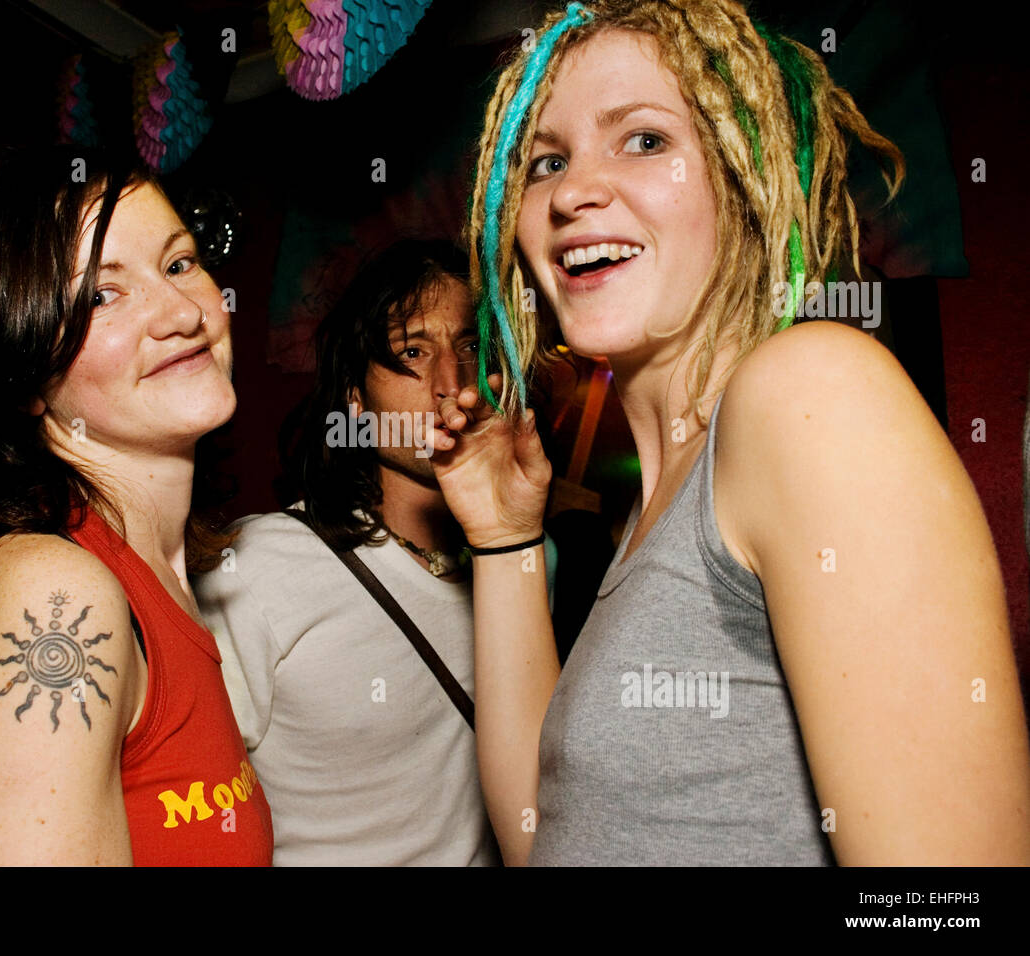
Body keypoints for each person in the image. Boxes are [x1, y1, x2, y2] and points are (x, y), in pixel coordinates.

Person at [423, 0, 1030, 865]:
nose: (572, 192)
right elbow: (547, 832)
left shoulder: (809, 393)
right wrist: (503, 538)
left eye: (642, 139)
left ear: (741, 181)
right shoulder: (652, 505)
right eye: (546, 161)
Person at [0, 147, 273, 865]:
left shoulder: (161, 585)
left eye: (179, 264)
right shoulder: (49, 593)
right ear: (21, 372)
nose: (182, 312)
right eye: (100, 296)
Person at [194, 240, 506, 865]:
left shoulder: (520, 565)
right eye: (412, 352)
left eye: (469, 347)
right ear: (356, 404)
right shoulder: (261, 566)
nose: (451, 383)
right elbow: (189, 802)